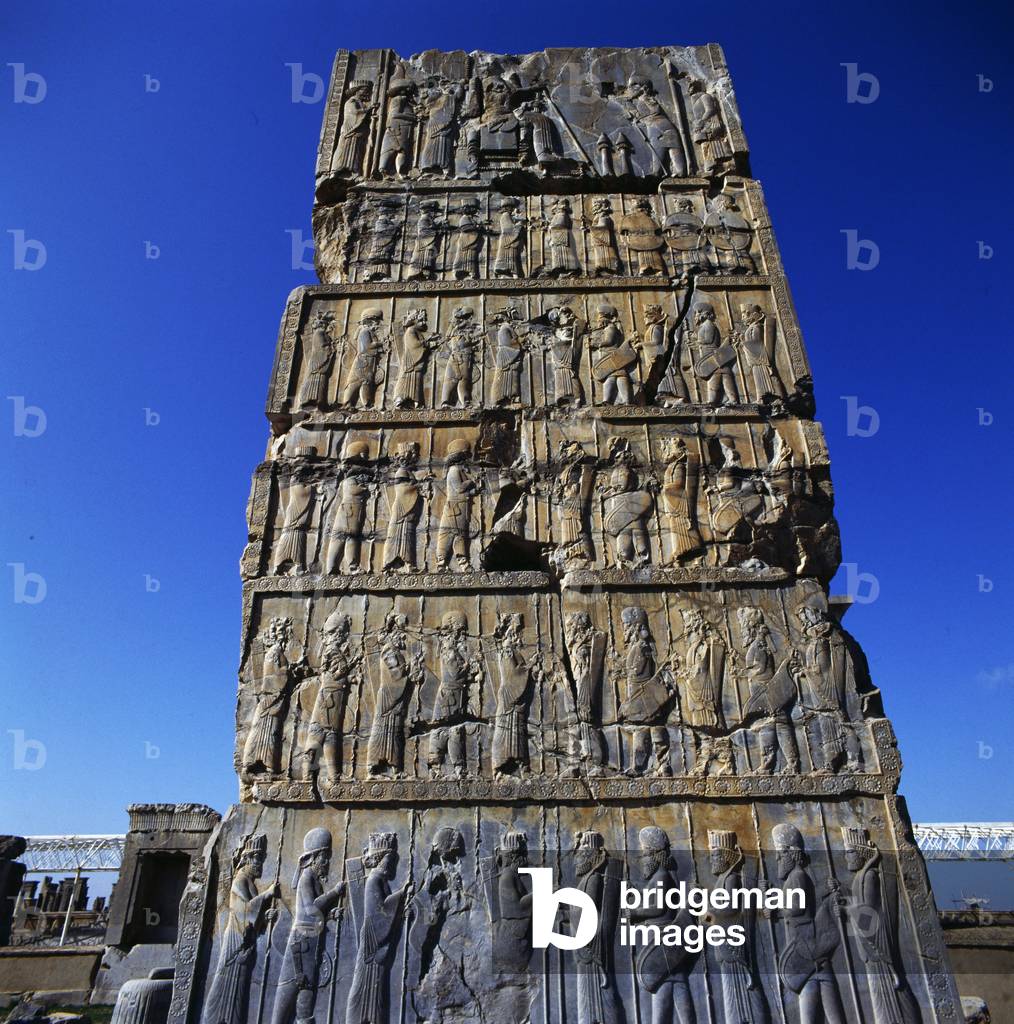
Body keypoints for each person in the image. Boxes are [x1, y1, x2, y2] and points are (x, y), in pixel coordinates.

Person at [270, 828, 345, 1024]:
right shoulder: (306, 878)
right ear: (315, 857)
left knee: (305, 998)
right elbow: (311, 909)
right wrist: (334, 893)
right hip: (301, 946)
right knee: (287, 996)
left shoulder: (314, 879)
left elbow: (312, 913)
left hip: (310, 945)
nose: (327, 863)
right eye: (324, 858)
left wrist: (329, 915)